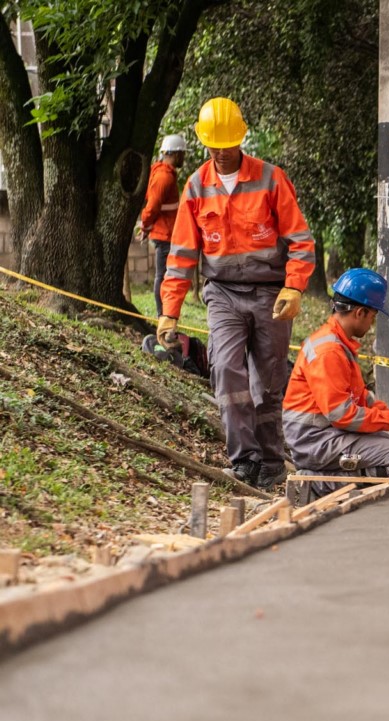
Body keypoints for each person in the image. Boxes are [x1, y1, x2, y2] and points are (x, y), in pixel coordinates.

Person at [158, 97, 316, 490]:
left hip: (270, 294)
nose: (221, 153)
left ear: (240, 141)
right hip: (223, 293)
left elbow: (300, 241)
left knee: (269, 379)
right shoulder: (196, 186)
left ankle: (271, 460)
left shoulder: (270, 179)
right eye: (214, 146)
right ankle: (244, 460)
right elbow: (180, 255)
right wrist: (169, 311)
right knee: (227, 370)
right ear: (205, 144)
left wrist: (294, 286)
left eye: (227, 145)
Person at [283, 268, 389, 500]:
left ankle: (327, 474)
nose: (372, 323)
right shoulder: (329, 351)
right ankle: (318, 483)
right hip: (315, 440)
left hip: (324, 433)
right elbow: (342, 415)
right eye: (373, 316)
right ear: (360, 312)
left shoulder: (338, 344)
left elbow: (360, 398)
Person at [138, 134, 186, 316]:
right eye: (182, 154)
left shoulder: (164, 173)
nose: (183, 158)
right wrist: (145, 226)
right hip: (164, 234)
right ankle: (162, 316)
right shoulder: (163, 177)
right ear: (174, 154)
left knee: (165, 276)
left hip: (166, 232)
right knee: (163, 277)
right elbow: (152, 206)